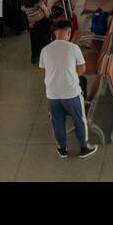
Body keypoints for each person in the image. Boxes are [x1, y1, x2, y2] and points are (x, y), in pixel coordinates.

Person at [39, 18, 98, 159]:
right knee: (79, 119)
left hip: (52, 93)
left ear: (55, 33)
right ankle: (84, 148)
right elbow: (82, 70)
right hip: (71, 92)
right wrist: (70, 74)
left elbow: (43, 72)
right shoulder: (73, 48)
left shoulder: (45, 50)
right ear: (68, 32)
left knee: (57, 121)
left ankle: (62, 148)